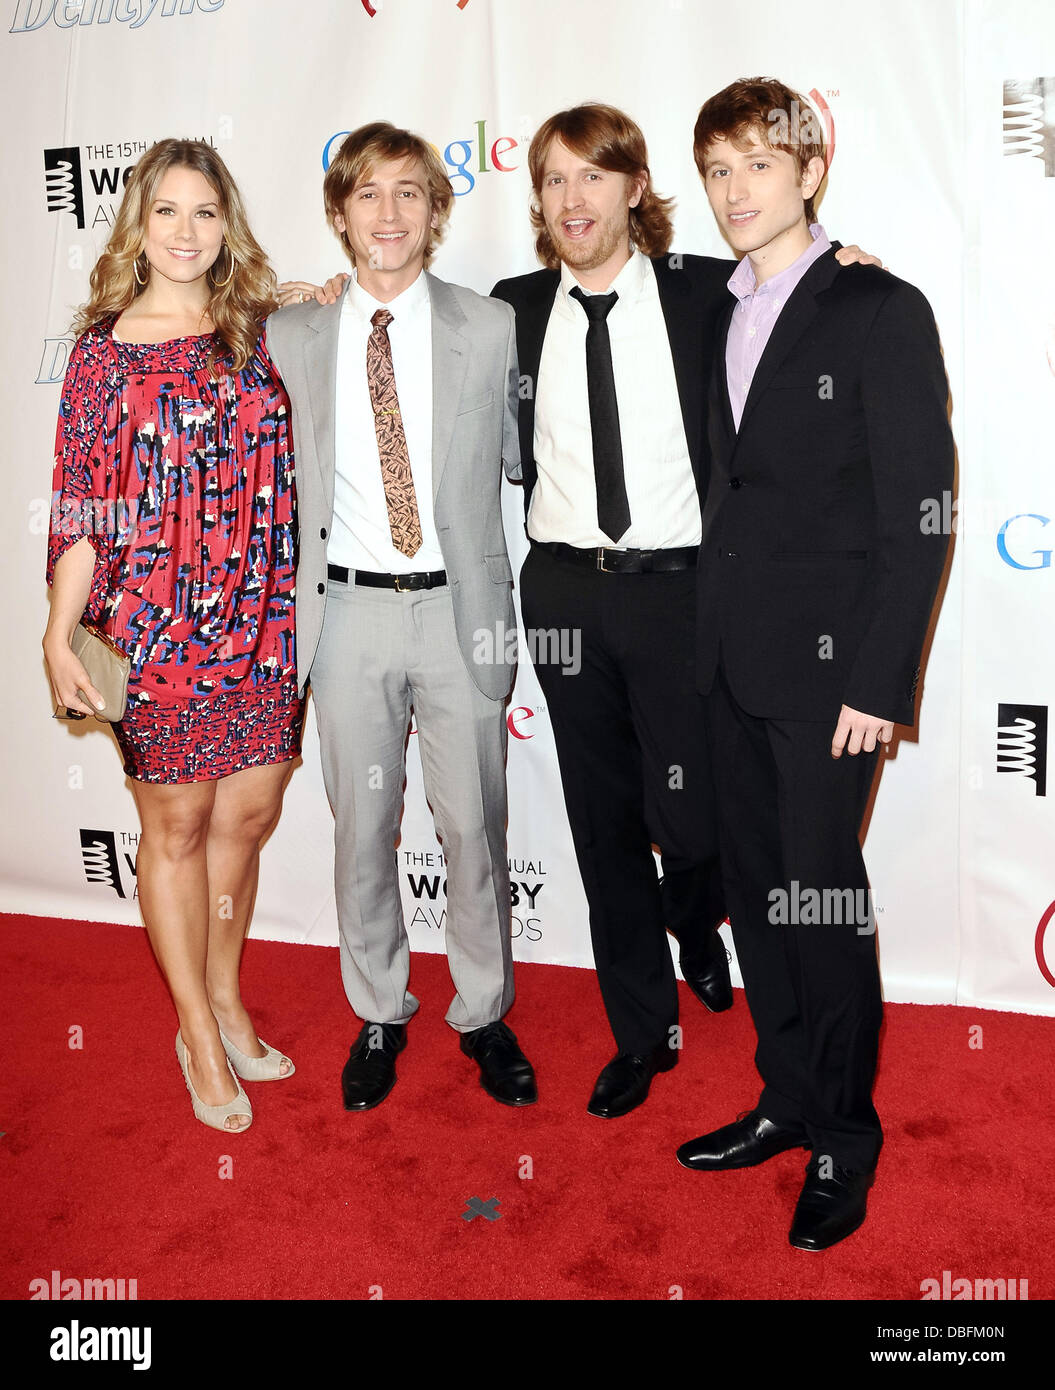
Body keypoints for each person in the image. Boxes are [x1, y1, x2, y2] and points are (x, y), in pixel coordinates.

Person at [490, 105, 878, 1119]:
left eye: (594, 177)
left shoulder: (708, 289)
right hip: (568, 589)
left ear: (634, 189)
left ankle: (694, 915)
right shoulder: (510, 308)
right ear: (537, 200)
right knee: (601, 820)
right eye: (554, 180)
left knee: (706, 814)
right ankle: (640, 1032)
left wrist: (852, 276)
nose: (574, 200)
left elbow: (799, 305)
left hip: (689, 594)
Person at [676, 78, 954, 1249]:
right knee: (757, 898)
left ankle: (844, 1135)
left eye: (757, 165)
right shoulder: (712, 303)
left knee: (820, 903)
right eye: (718, 170)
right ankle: (784, 1098)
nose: (737, 192)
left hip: (830, 682)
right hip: (727, 665)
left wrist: (875, 685)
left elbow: (920, 513)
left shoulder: (878, 308)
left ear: (808, 172)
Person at [265, 122, 536, 1112]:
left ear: (435, 209)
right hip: (343, 621)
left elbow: (526, 449)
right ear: (338, 214)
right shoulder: (289, 335)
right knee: (360, 829)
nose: (389, 212)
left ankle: (483, 1011)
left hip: (462, 613)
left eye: (408, 192)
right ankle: (379, 1009)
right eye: (367, 194)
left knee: (475, 829)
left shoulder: (489, 325)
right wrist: (277, 296)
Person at [44, 139, 302, 1135]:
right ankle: (194, 1026)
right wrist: (59, 632)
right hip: (152, 629)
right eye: (167, 212)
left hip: (266, 620)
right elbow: (78, 507)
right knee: (176, 828)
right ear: (136, 226)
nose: (187, 232)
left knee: (244, 819)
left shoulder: (264, 331)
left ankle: (228, 994)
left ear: (226, 224)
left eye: (205, 212)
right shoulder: (102, 352)